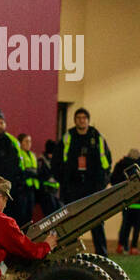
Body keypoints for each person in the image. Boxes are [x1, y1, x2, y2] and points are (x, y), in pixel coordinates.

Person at [55, 108, 112, 256]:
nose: (81, 120)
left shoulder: (96, 137)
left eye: (84, 118)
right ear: (75, 120)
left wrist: (102, 184)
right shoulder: (68, 137)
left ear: (88, 120)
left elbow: (106, 162)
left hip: (93, 186)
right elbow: (57, 161)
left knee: (97, 220)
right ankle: (69, 254)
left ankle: (102, 255)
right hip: (73, 187)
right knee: (71, 222)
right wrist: (64, 182)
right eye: (78, 118)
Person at [112, 148, 140, 254]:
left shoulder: (122, 164)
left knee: (125, 225)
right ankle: (134, 247)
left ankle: (121, 245)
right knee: (136, 227)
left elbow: (114, 180)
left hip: (127, 200)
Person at [16, 133, 39, 226]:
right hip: (22, 188)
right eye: (26, 141)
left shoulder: (32, 155)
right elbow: (21, 170)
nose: (29, 143)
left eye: (30, 141)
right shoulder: (18, 154)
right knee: (22, 214)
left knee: (29, 214)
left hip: (32, 188)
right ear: (20, 143)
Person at [36, 139, 64, 216]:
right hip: (46, 192)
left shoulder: (55, 161)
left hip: (56, 193)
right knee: (51, 215)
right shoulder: (42, 161)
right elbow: (41, 176)